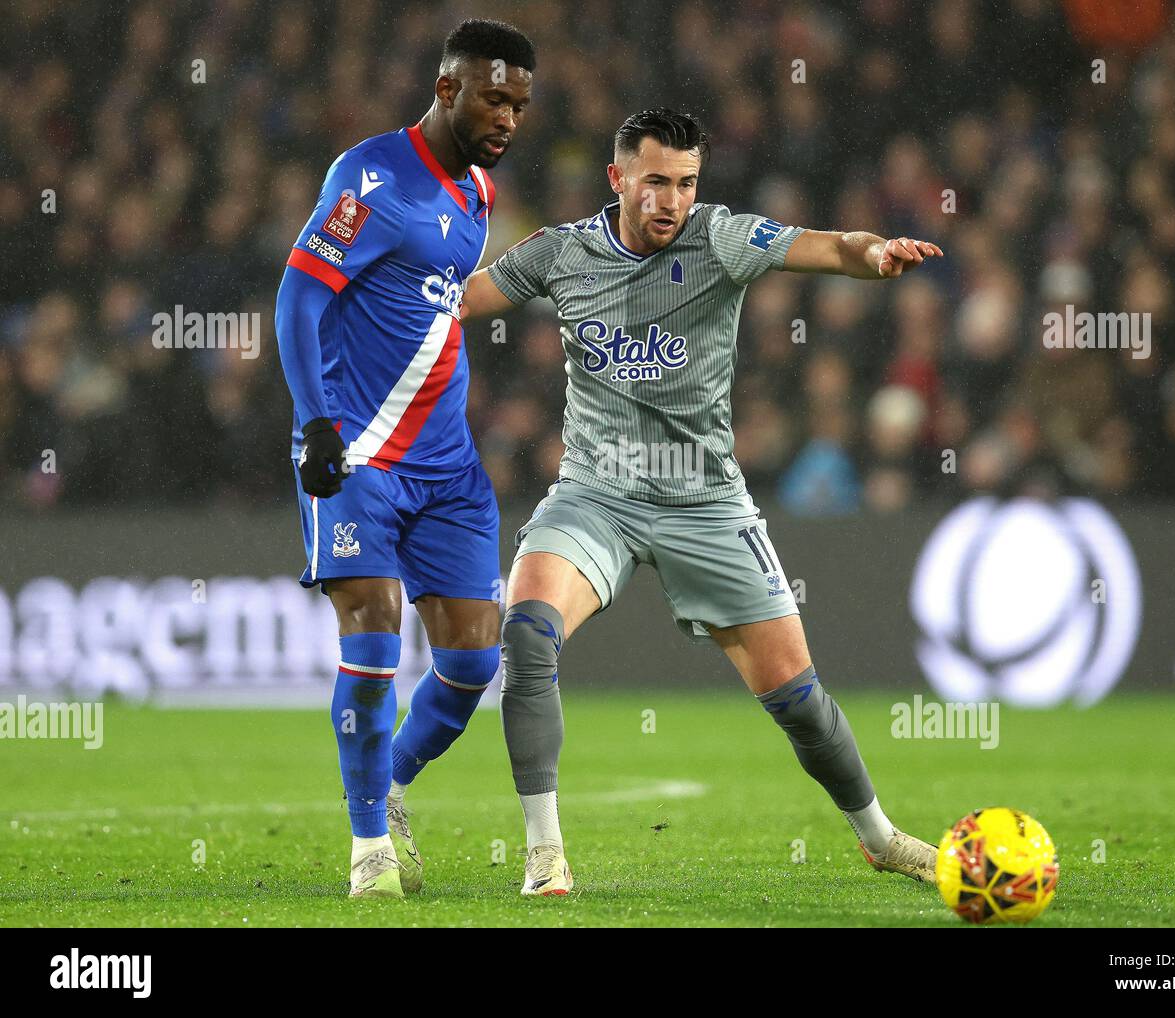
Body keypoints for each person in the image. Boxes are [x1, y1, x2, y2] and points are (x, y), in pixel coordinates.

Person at [453, 107, 944, 895]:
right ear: (618, 180)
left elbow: (823, 247)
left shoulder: (719, 238)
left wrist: (874, 251)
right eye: (654, 182)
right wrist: (377, 291)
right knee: (529, 633)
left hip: (705, 501)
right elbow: (462, 303)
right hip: (596, 493)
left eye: (685, 184)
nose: (670, 201)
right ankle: (544, 849)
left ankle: (879, 836)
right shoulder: (561, 252)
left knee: (800, 701)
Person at [273, 19, 534, 898]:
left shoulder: (480, 197)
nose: (508, 117)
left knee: (470, 665)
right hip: (358, 456)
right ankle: (368, 851)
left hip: (448, 467)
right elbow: (298, 299)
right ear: (448, 88)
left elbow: (434, 315)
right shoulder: (370, 178)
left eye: (521, 104)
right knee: (375, 635)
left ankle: (388, 788)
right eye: (495, 97)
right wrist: (314, 425)